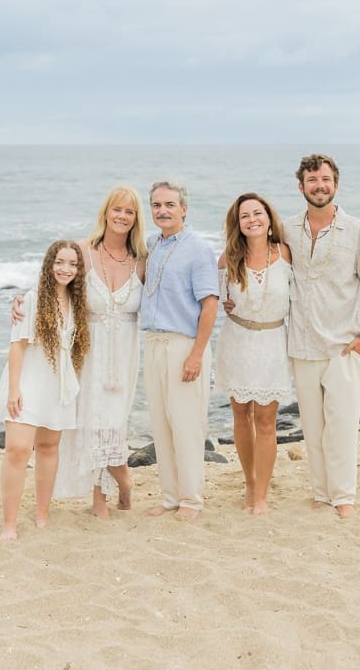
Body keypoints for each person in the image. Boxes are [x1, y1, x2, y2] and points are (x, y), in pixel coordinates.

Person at [12, 186, 147, 519]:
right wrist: (19, 299)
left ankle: (124, 482)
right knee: (89, 421)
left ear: (136, 219)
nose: (122, 216)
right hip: (86, 351)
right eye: (117, 209)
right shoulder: (84, 252)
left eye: (129, 212)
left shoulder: (142, 259)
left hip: (125, 353)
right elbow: (52, 280)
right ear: (105, 213)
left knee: (114, 423)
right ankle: (99, 500)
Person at [282, 154, 360, 518]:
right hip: (302, 345)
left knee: (342, 427)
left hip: (344, 346)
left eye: (325, 179)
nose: (319, 185)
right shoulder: (286, 229)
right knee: (313, 428)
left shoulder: (357, 231)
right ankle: (321, 493)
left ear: (335, 184)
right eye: (312, 180)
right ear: (301, 187)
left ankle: (343, 497)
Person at [0, 240, 90, 541]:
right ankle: (9, 524)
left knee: (48, 448)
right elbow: (17, 347)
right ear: (49, 265)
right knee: (18, 450)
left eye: (72, 264)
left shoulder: (77, 303)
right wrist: (13, 390)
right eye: (59, 262)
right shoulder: (33, 300)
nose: (65, 269)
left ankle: (42, 514)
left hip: (57, 383)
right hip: (27, 381)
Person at [139, 180, 219, 521]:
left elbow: (210, 304)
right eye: (157, 205)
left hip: (183, 345)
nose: (163, 210)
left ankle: (191, 500)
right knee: (161, 425)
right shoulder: (152, 244)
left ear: (184, 208)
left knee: (186, 425)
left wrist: (197, 354)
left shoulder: (198, 249)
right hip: (153, 344)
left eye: (170, 205)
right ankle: (170, 497)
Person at [216, 192, 293, 515]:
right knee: (240, 416)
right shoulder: (227, 259)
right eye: (245, 215)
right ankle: (249, 482)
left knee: (266, 420)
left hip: (273, 342)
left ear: (268, 217)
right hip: (237, 340)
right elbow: (217, 299)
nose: (252, 219)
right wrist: (225, 302)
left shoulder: (286, 253)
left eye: (257, 213)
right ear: (238, 223)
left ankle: (261, 494)